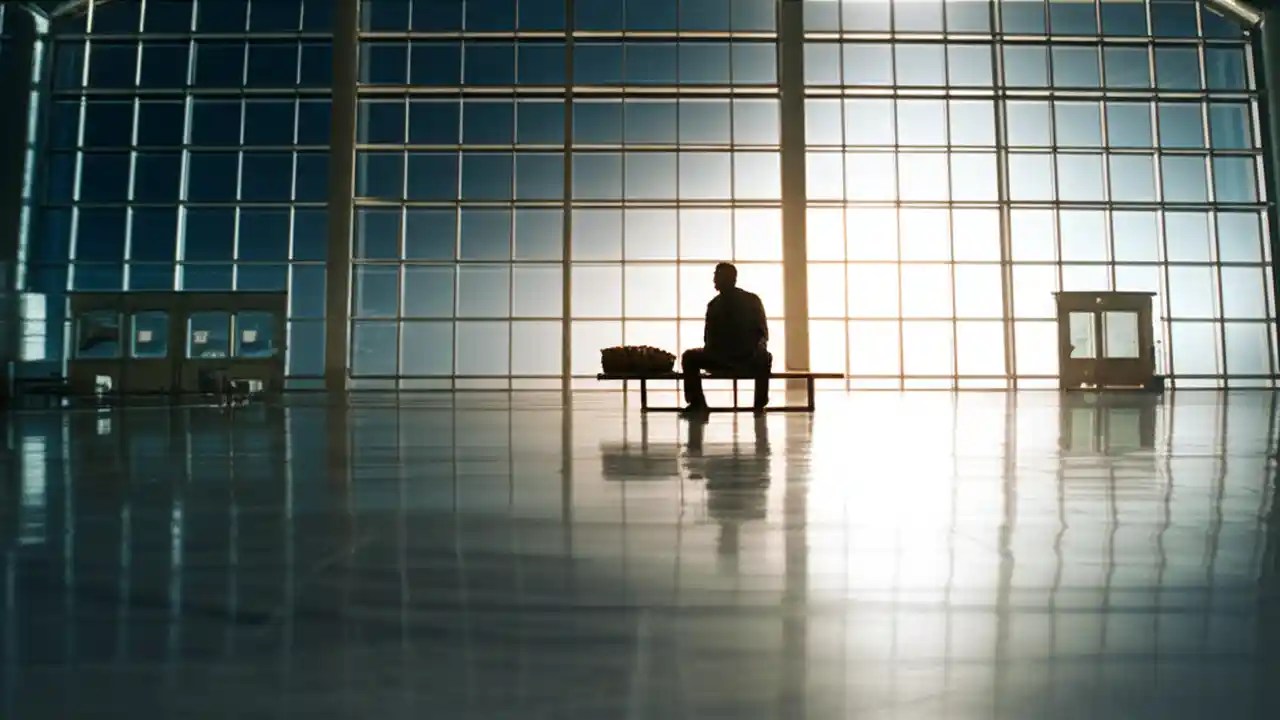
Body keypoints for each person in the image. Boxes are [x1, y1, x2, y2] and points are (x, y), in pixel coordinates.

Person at [681, 262, 772, 416]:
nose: (714, 280)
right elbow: (762, 332)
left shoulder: (716, 304)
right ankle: (759, 404)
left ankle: (697, 403)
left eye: (717, 276)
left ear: (730, 278)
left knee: (689, 357)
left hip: (730, 357)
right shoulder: (748, 300)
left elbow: (708, 338)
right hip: (742, 357)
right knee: (765, 358)